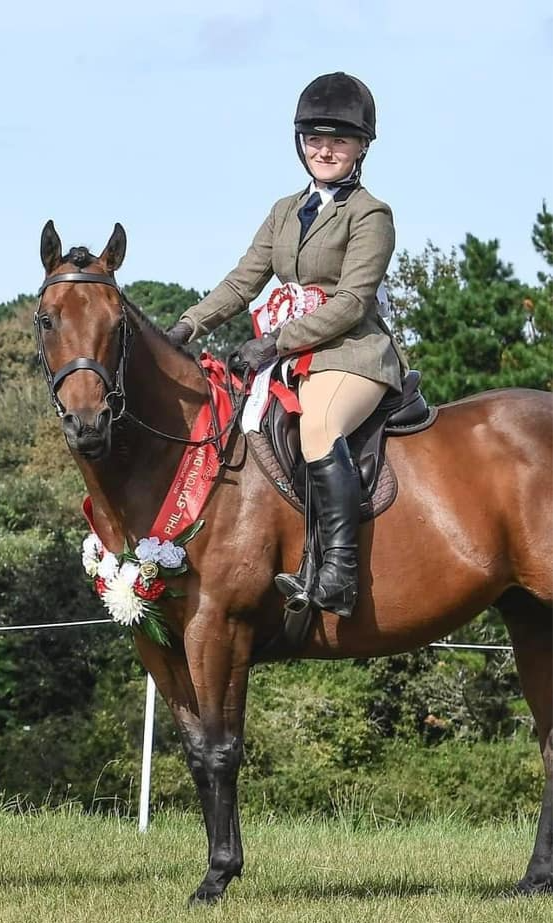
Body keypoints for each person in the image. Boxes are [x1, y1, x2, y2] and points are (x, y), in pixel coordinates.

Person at [168, 72, 407, 618]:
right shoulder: (283, 210)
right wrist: (185, 327)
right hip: (288, 358)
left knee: (319, 423)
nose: (325, 149)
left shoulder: (371, 215)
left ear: (361, 147)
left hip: (352, 353)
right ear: (300, 144)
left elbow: (350, 302)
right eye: (315, 138)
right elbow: (242, 282)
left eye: (339, 140)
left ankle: (338, 574)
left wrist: (275, 341)